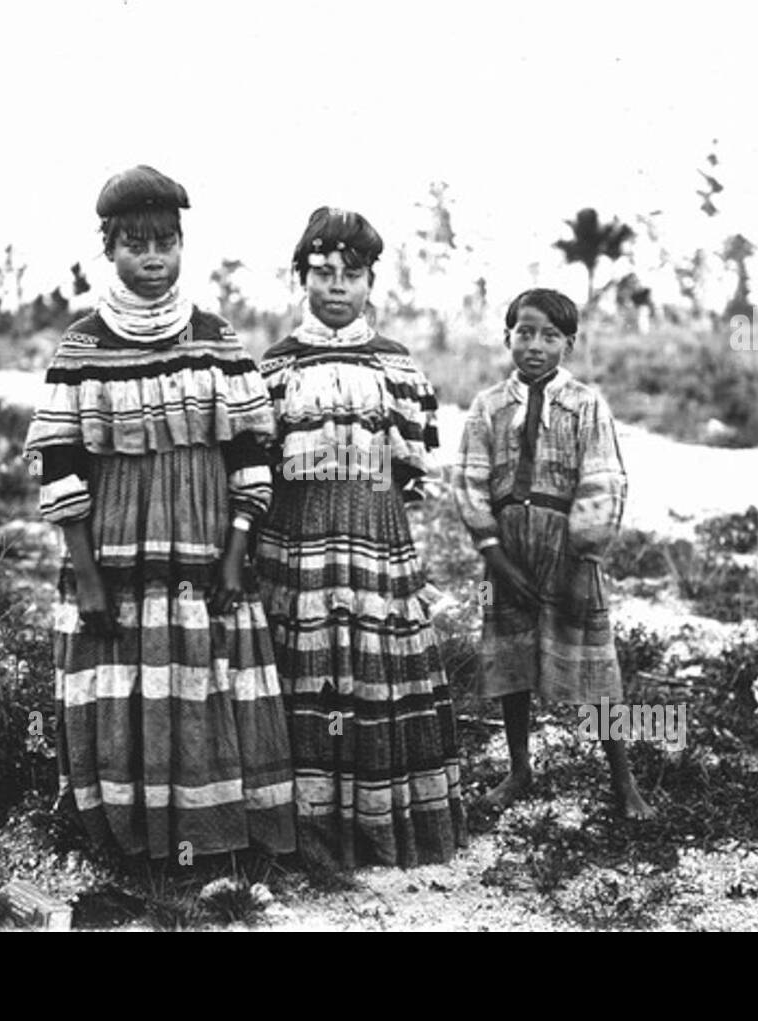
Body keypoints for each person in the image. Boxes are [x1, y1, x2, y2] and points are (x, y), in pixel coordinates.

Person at [23, 165, 295, 860]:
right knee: (125, 668)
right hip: (116, 545)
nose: (152, 258)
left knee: (201, 668)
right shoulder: (82, 345)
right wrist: (85, 574)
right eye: (135, 243)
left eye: (166, 242)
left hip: (204, 539)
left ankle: (211, 833)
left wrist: (237, 548)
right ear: (107, 248)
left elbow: (250, 449)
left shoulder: (215, 337)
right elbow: (59, 463)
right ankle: (129, 829)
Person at [255, 207, 467, 868]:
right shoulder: (276, 367)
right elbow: (256, 458)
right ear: (302, 278)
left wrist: (368, 506)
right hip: (296, 541)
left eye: (352, 273)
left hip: (375, 536)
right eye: (322, 272)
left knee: (375, 665)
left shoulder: (394, 365)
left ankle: (379, 824)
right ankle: (303, 829)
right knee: (304, 667)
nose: (337, 286)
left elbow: (414, 460)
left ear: (372, 280)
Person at [451, 288, 656, 819]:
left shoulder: (586, 405)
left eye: (549, 336)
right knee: (510, 658)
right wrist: (495, 555)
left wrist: (579, 555)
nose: (534, 345)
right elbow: (470, 482)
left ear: (569, 342)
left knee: (596, 668)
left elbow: (604, 481)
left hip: (567, 553)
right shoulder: (488, 407)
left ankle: (623, 779)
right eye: (524, 333)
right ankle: (519, 768)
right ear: (506, 337)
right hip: (508, 550)